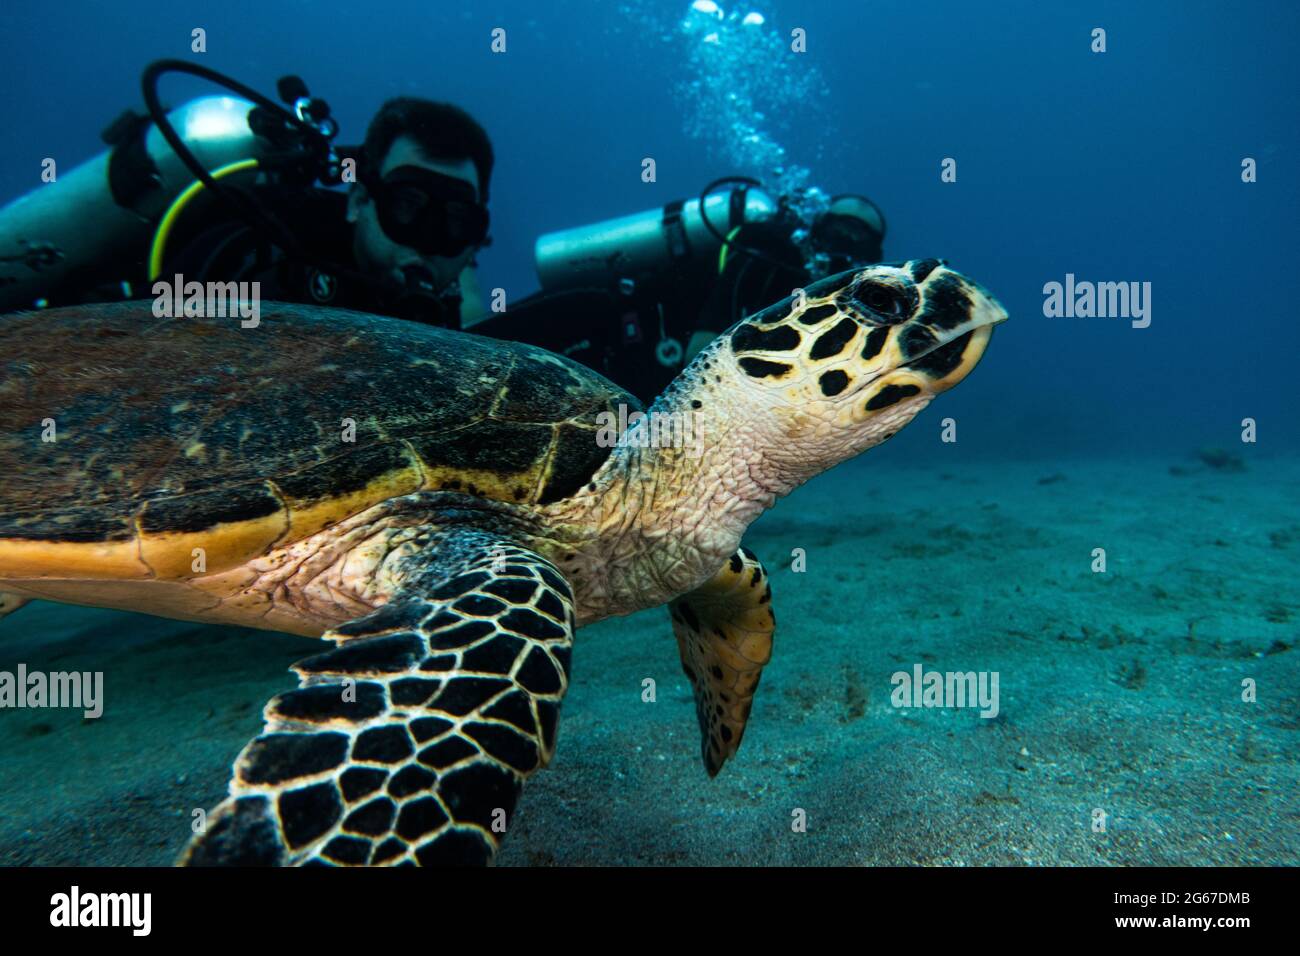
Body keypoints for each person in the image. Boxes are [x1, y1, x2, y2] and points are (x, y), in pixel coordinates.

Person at [472, 189, 888, 403]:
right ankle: (464, 275)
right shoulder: (763, 252)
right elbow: (701, 354)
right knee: (469, 348)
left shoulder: (820, 306)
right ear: (815, 230)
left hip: (634, 373)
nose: (843, 249)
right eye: (837, 232)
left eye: (859, 242)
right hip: (604, 320)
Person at [160, 97, 494, 328]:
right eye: (406, 205)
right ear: (358, 201)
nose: (428, 240)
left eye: (456, 221)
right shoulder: (260, 255)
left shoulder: (454, 304)